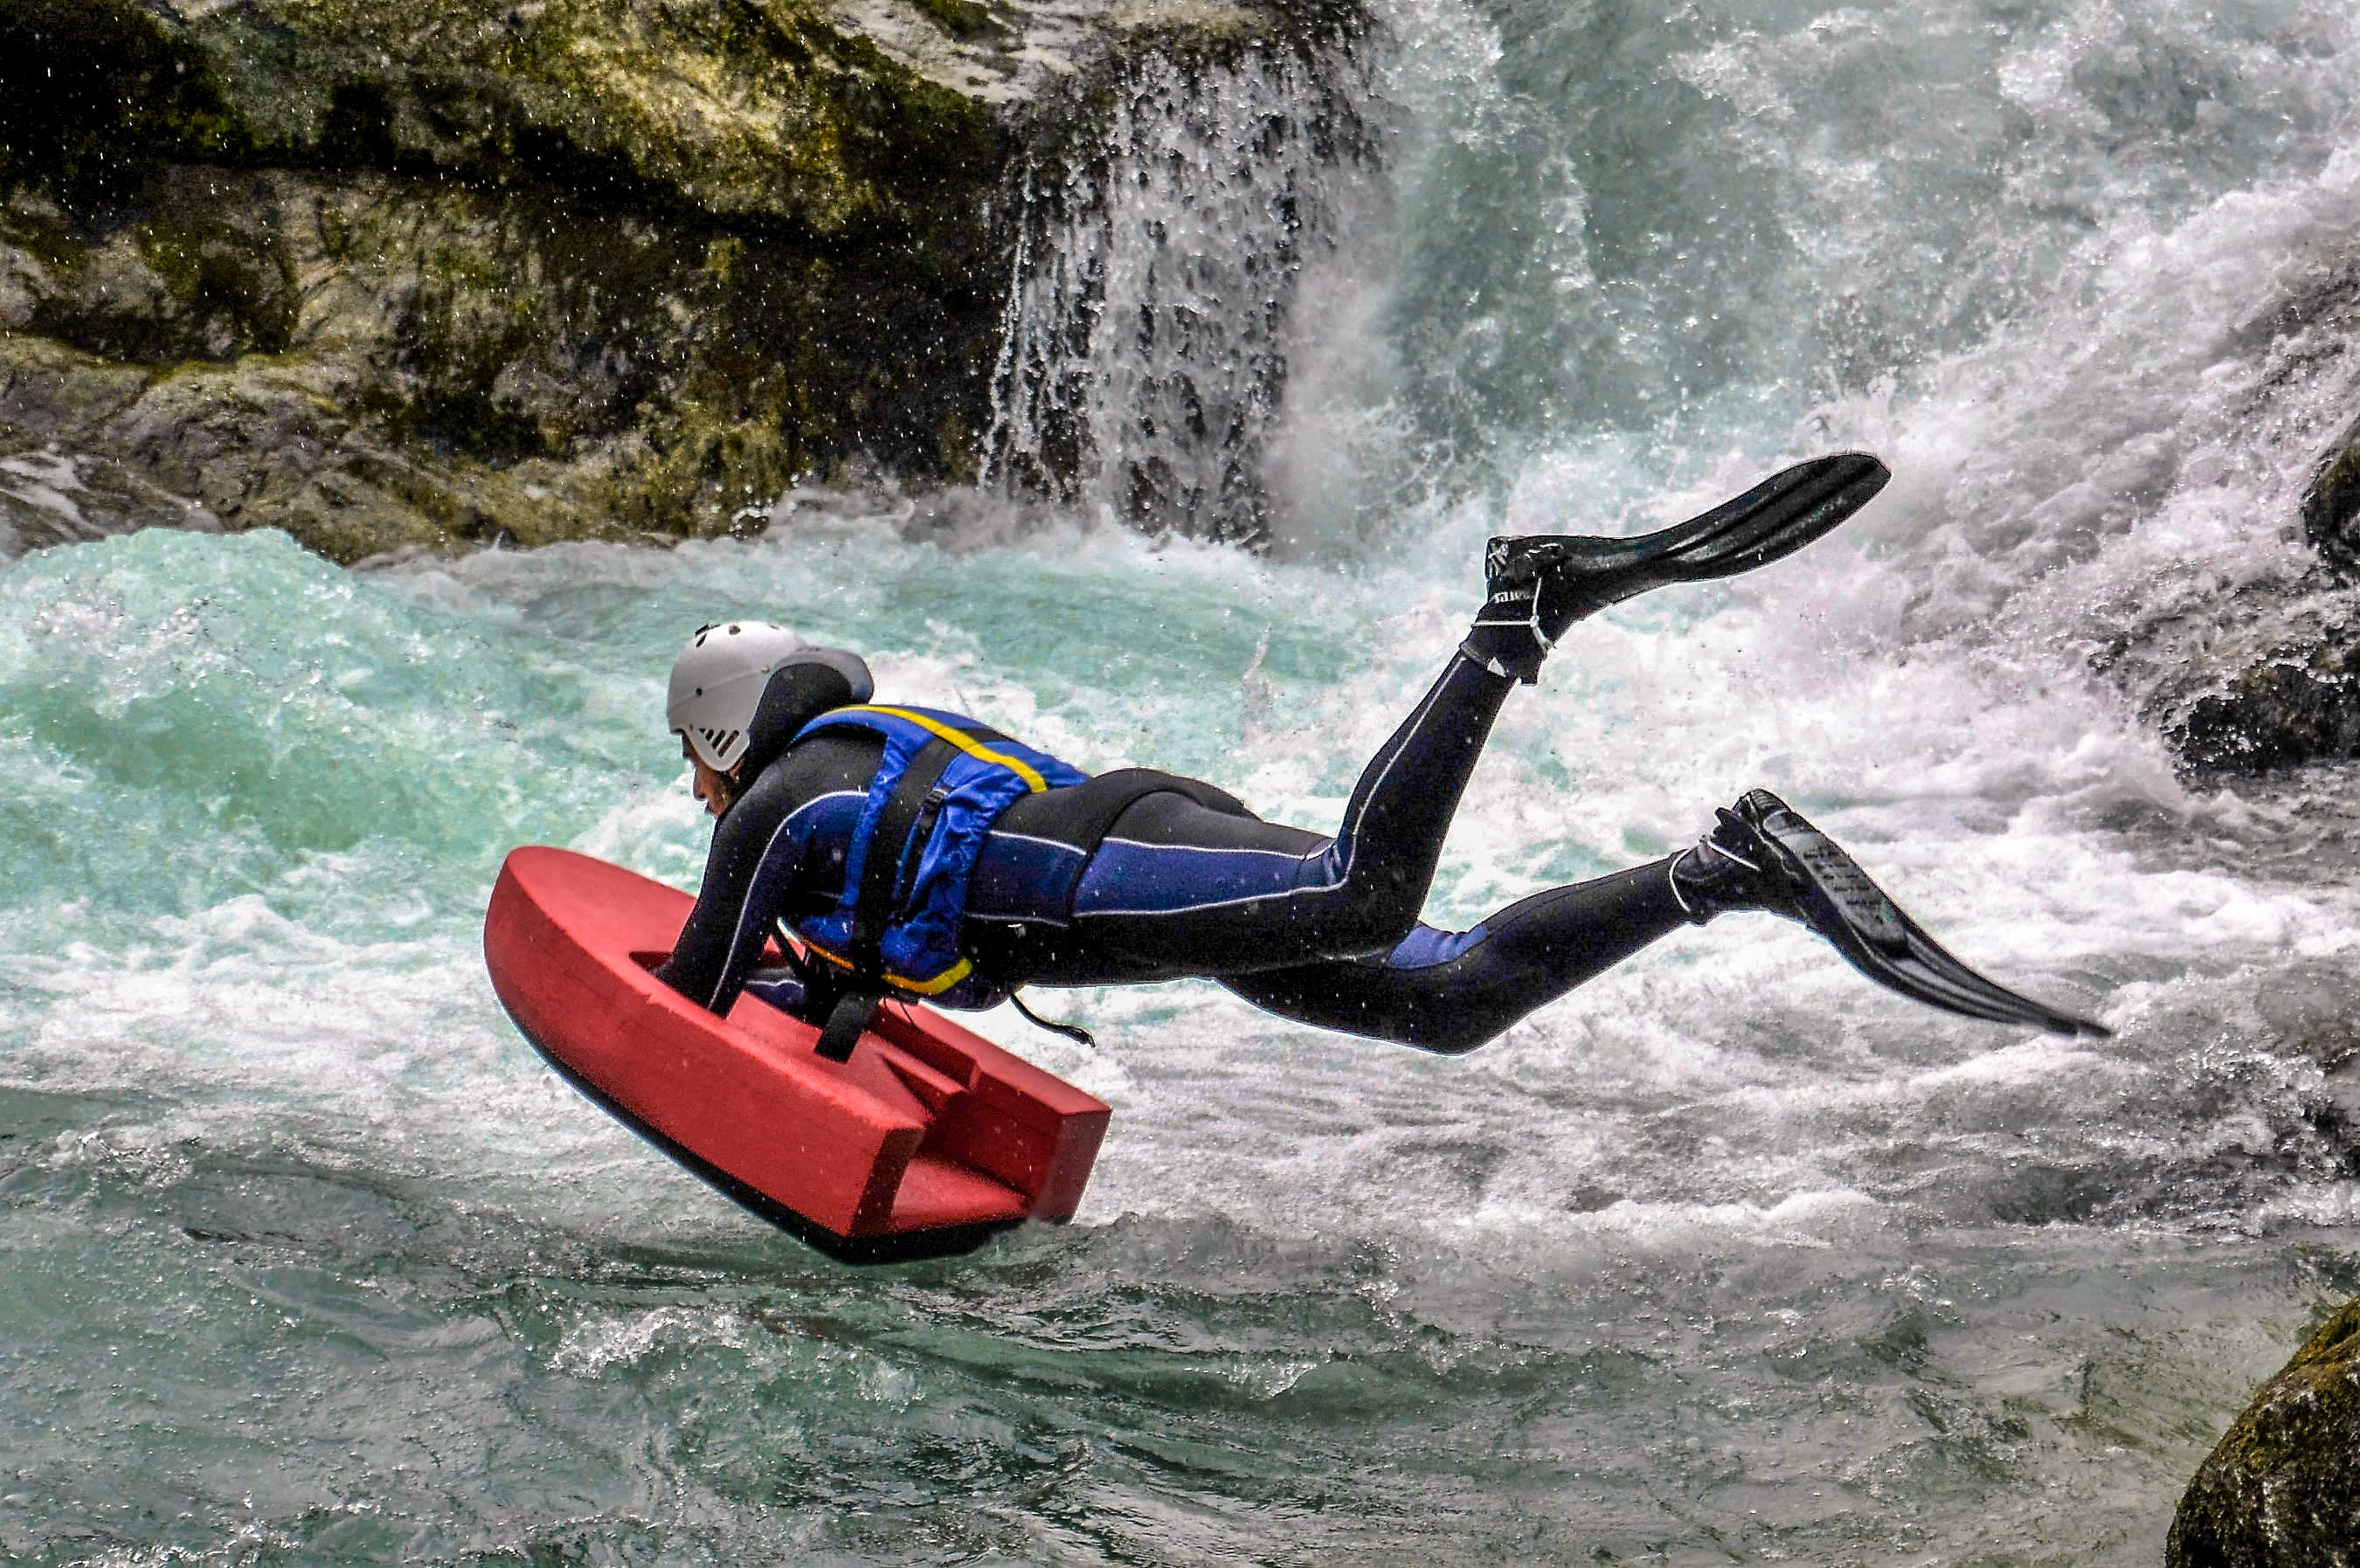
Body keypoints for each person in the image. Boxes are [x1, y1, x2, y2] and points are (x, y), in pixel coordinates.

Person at [653, 453, 2106, 1057]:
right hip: (1136, 855)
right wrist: (827, 991)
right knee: (1447, 1001)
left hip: (1105, 866)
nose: (693, 784)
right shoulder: (838, 778)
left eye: (692, 754)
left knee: (1365, 897)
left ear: (724, 729)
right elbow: (821, 971)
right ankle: (1724, 868)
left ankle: (1512, 612)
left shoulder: (776, 809)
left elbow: (690, 1001)